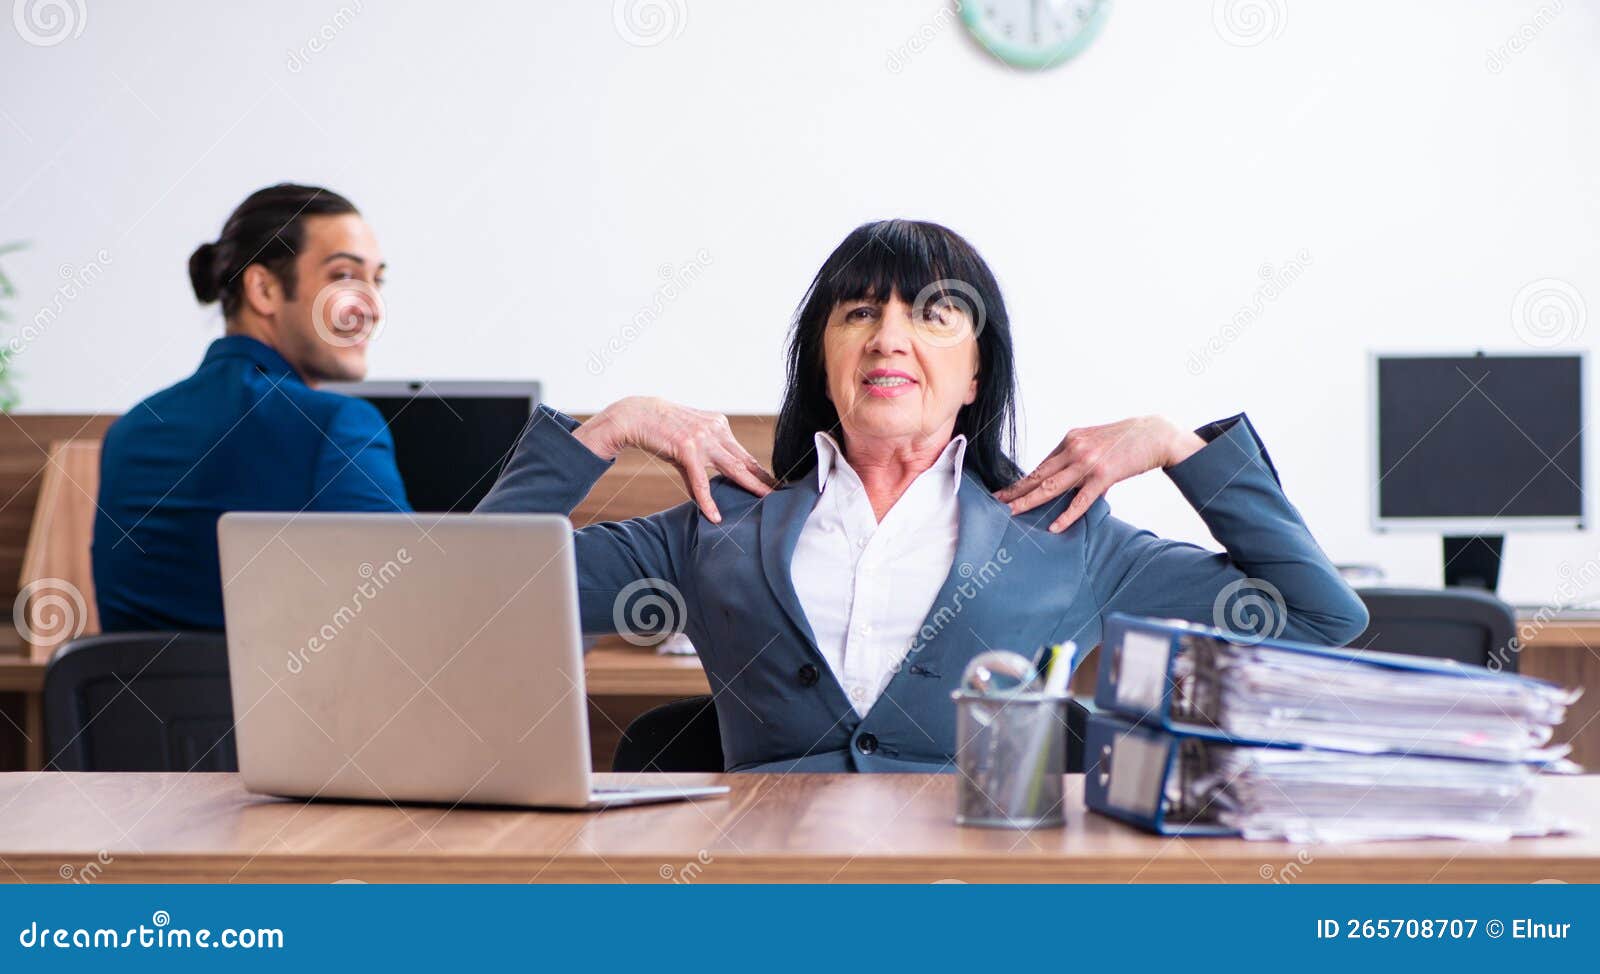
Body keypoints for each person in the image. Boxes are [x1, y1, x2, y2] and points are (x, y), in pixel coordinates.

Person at [477, 219, 1367, 772]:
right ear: (823, 366)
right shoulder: (715, 526)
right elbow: (470, 601)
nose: (888, 338)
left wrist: (1181, 447)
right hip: (761, 897)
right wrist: (604, 428)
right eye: (858, 314)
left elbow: (1319, 616)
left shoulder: (1067, 536)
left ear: (978, 371)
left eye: (932, 316)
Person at [93, 183, 408, 632]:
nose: (373, 307)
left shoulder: (130, 431)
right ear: (264, 289)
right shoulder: (339, 426)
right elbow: (414, 618)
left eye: (376, 281)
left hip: (135, 705)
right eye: (343, 277)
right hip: (290, 703)